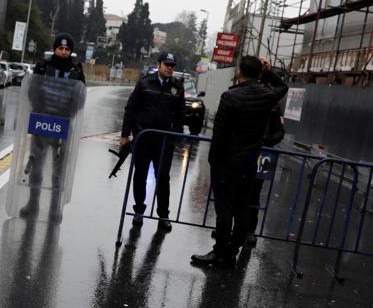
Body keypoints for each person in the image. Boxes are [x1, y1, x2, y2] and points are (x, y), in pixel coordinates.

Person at [191, 55, 288, 267]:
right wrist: (268, 71)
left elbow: (220, 133)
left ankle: (220, 253)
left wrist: (213, 160)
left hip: (227, 161)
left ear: (240, 73)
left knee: (224, 209)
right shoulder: (267, 96)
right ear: (259, 73)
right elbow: (282, 86)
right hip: (249, 161)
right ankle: (234, 249)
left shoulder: (230, 97)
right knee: (243, 207)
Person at [18, 33, 86, 221]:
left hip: (63, 125)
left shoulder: (76, 71)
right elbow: (32, 90)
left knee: (58, 171)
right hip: (41, 122)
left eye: (67, 49)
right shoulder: (43, 66)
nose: (63, 52)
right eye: (60, 48)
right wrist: (39, 110)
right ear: (55, 49)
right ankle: (32, 205)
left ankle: (55, 210)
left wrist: (67, 114)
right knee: (36, 168)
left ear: (70, 51)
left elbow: (80, 98)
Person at [119, 52, 185, 232]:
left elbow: (180, 114)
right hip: (144, 138)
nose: (170, 68)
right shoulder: (145, 83)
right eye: (166, 64)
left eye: (172, 65)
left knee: (163, 177)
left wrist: (175, 136)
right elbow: (131, 109)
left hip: (164, 142)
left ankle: (163, 215)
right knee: (140, 174)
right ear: (158, 64)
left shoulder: (177, 87)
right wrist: (126, 134)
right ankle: (139, 210)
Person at [244, 99, 286, 246]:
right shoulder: (247, 97)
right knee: (237, 189)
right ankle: (232, 227)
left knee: (255, 192)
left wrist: (268, 141)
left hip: (264, 153)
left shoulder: (274, 105)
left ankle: (250, 231)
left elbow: (280, 131)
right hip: (244, 151)